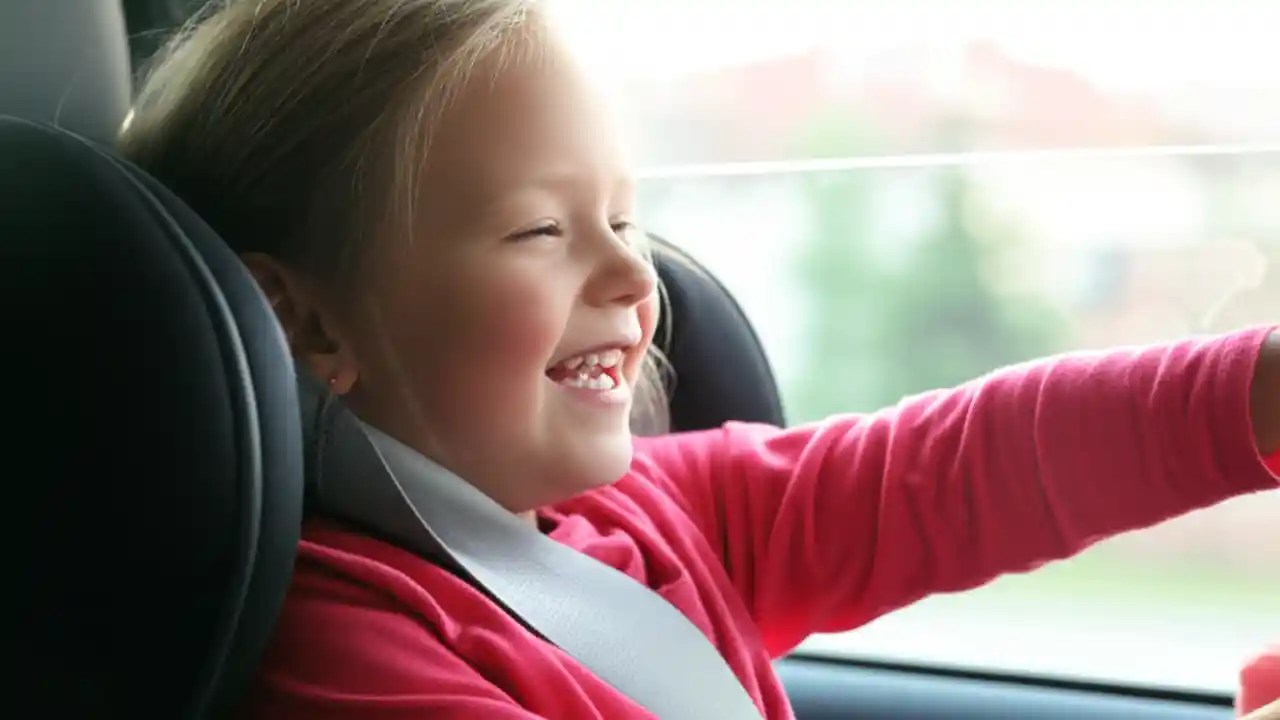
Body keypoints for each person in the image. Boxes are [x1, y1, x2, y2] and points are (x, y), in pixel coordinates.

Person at [119, 1, 1280, 717]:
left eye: (627, 219)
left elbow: (962, 469)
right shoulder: (344, 650)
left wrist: (1252, 392)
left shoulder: (648, 514)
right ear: (315, 326)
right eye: (541, 230)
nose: (635, 281)